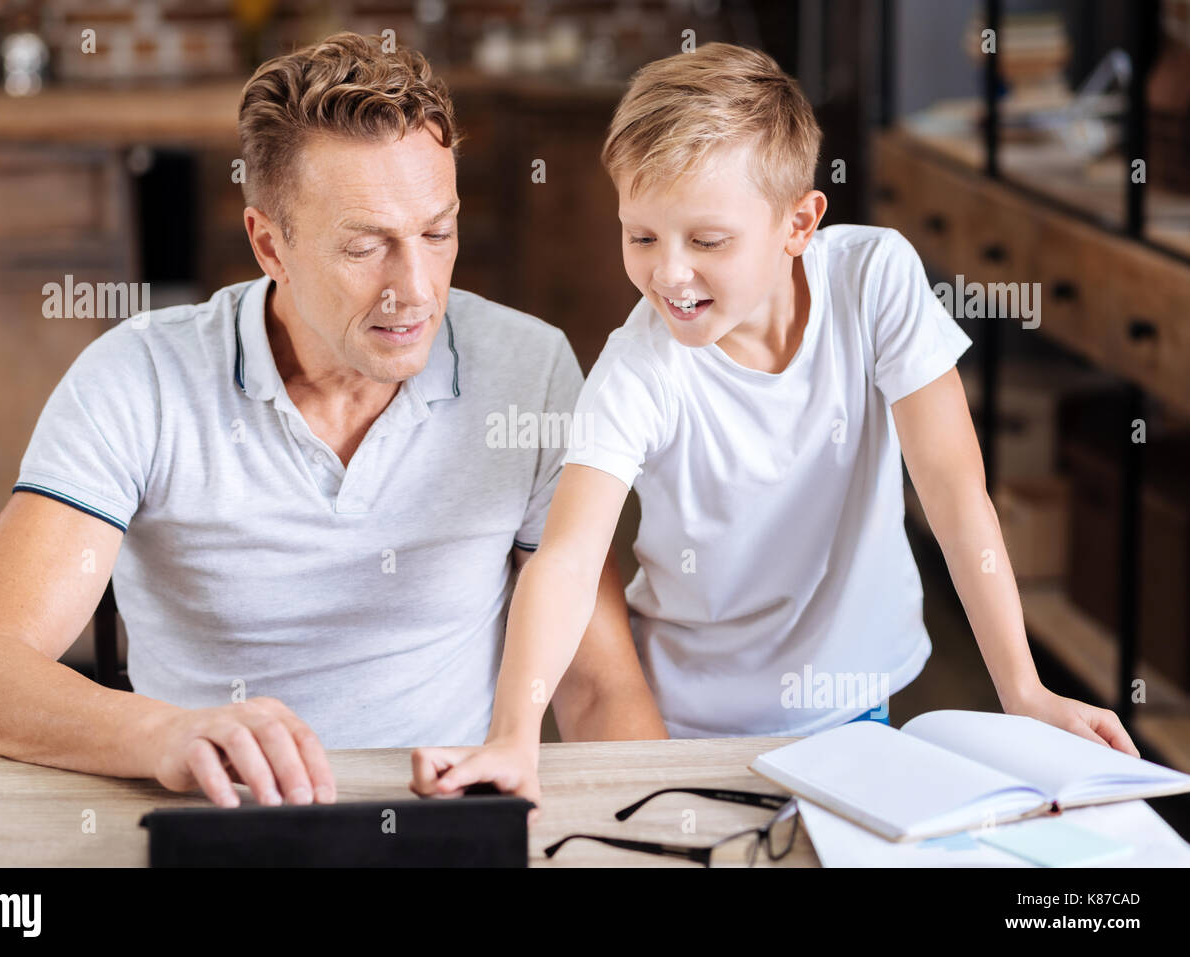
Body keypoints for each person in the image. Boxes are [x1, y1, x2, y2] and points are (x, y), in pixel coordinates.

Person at [0, 32, 665, 810]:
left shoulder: (531, 370)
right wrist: (164, 735)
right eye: (364, 246)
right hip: (214, 819)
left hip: (438, 826)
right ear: (269, 244)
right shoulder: (138, 379)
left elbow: (597, 687)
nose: (414, 289)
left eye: (437, 233)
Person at [410, 42, 1138, 806]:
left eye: (708, 241)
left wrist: (1023, 692)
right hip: (691, 728)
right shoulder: (637, 369)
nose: (668, 273)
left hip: (857, 706)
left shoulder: (875, 279)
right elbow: (565, 560)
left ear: (799, 223)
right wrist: (515, 734)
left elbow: (956, 498)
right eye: (642, 235)